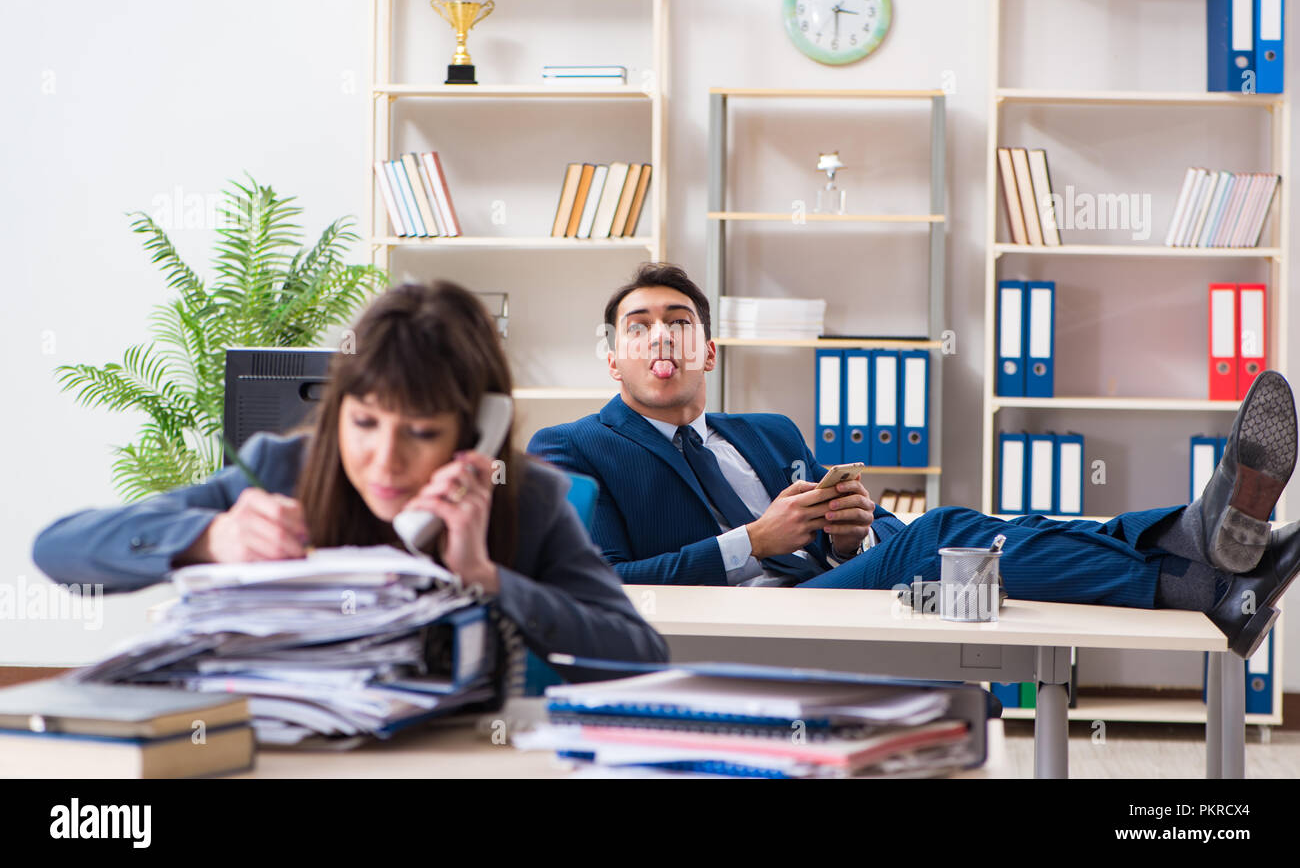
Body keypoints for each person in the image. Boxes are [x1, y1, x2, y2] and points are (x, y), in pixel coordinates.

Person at [527, 263, 1300, 660]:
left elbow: (863, 544)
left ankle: (1203, 562)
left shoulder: (765, 429)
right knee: (947, 533)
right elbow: (599, 586)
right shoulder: (568, 447)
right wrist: (752, 544)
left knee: (990, 533)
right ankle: (1197, 566)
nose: (660, 337)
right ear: (611, 359)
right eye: (637, 326)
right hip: (745, 619)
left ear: (709, 350)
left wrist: (850, 535)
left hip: (827, 593)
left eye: (679, 321)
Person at [33, 281, 668, 677]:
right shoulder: (283, 471)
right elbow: (59, 551)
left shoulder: (526, 501)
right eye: (364, 423)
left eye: (420, 433)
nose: (384, 460)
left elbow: (640, 655)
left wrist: (486, 579)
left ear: (476, 432)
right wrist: (208, 538)